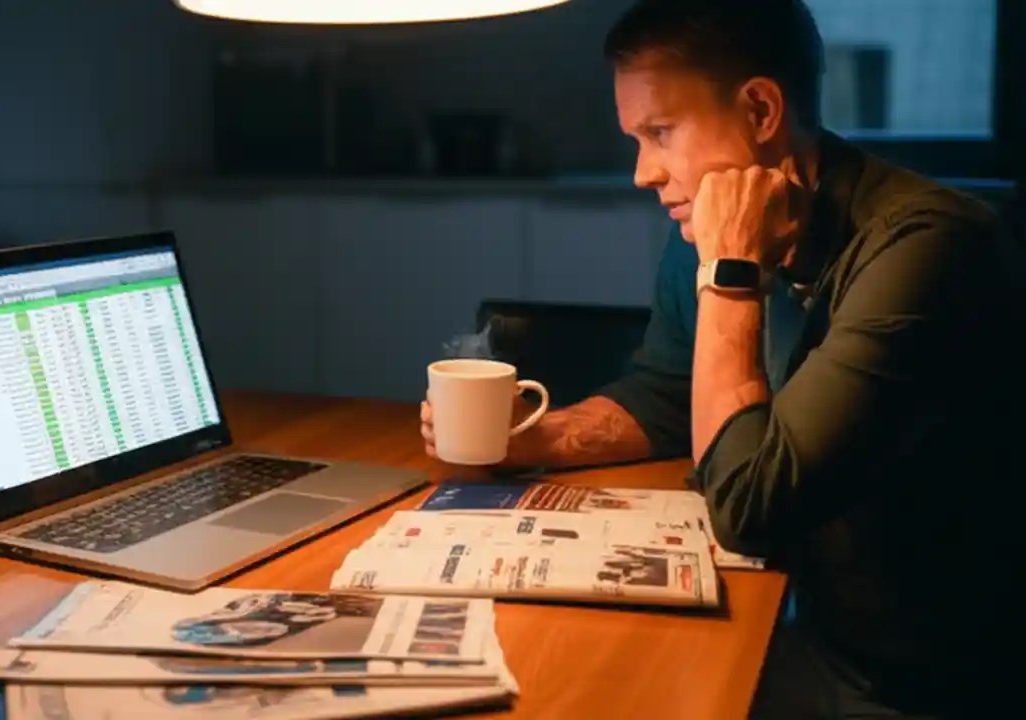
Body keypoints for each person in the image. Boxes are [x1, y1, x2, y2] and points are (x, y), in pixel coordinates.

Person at [419, 1, 1023, 717]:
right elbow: (669, 394)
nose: (644, 172)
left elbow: (748, 507)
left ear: (762, 109)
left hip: (920, 679)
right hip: (795, 620)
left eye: (661, 133)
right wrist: (533, 440)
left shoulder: (927, 246)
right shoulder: (702, 230)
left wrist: (731, 269)